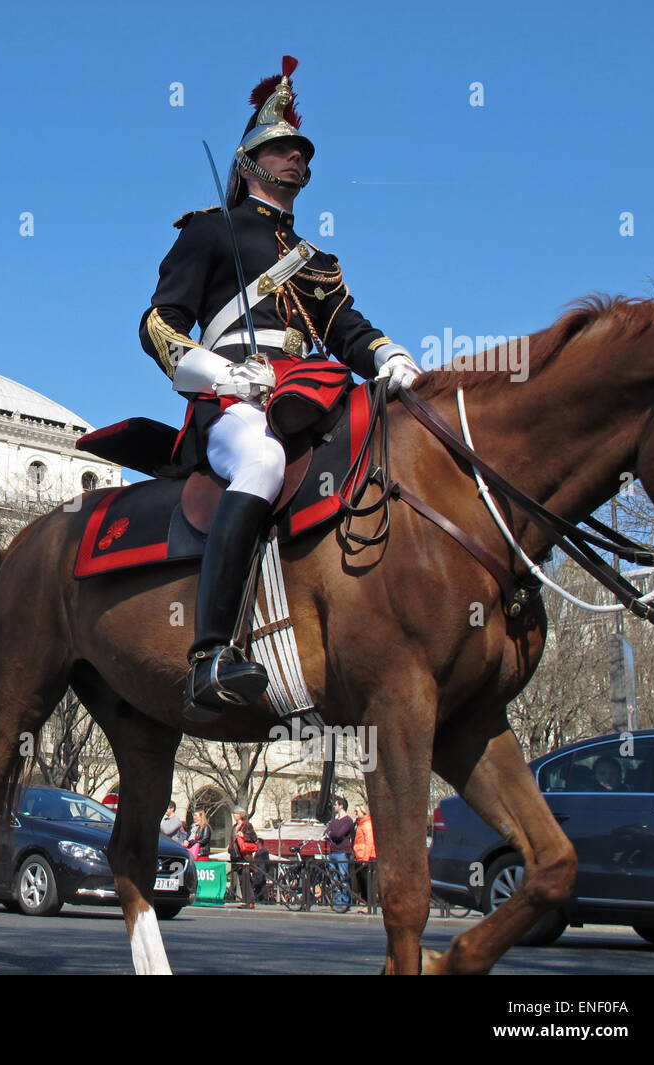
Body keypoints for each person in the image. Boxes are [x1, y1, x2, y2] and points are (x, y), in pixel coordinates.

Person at [138, 56, 420, 717]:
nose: (295, 158)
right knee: (262, 461)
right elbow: (157, 324)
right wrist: (221, 373)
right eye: (280, 148)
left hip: (304, 396)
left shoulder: (316, 261)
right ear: (249, 161)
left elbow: (345, 326)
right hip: (232, 403)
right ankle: (210, 655)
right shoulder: (211, 231)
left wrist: (389, 355)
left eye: (300, 151)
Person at [323, 796, 355, 905]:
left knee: (343, 876)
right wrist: (332, 834)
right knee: (334, 878)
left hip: (342, 852)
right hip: (333, 852)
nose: (333, 806)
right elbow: (326, 833)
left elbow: (338, 834)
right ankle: (337, 900)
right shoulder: (334, 821)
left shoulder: (348, 821)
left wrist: (331, 834)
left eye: (335, 804)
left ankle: (345, 901)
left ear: (341, 806)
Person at [353, 803, 376, 912]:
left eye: (357, 811)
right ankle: (365, 902)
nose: (355, 813)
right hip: (360, 855)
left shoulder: (366, 824)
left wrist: (365, 858)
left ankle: (368, 904)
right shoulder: (360, 824)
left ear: (363, 811)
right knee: (362, 881)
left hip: (365, 856)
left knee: (366, 881)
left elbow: (369, 842)